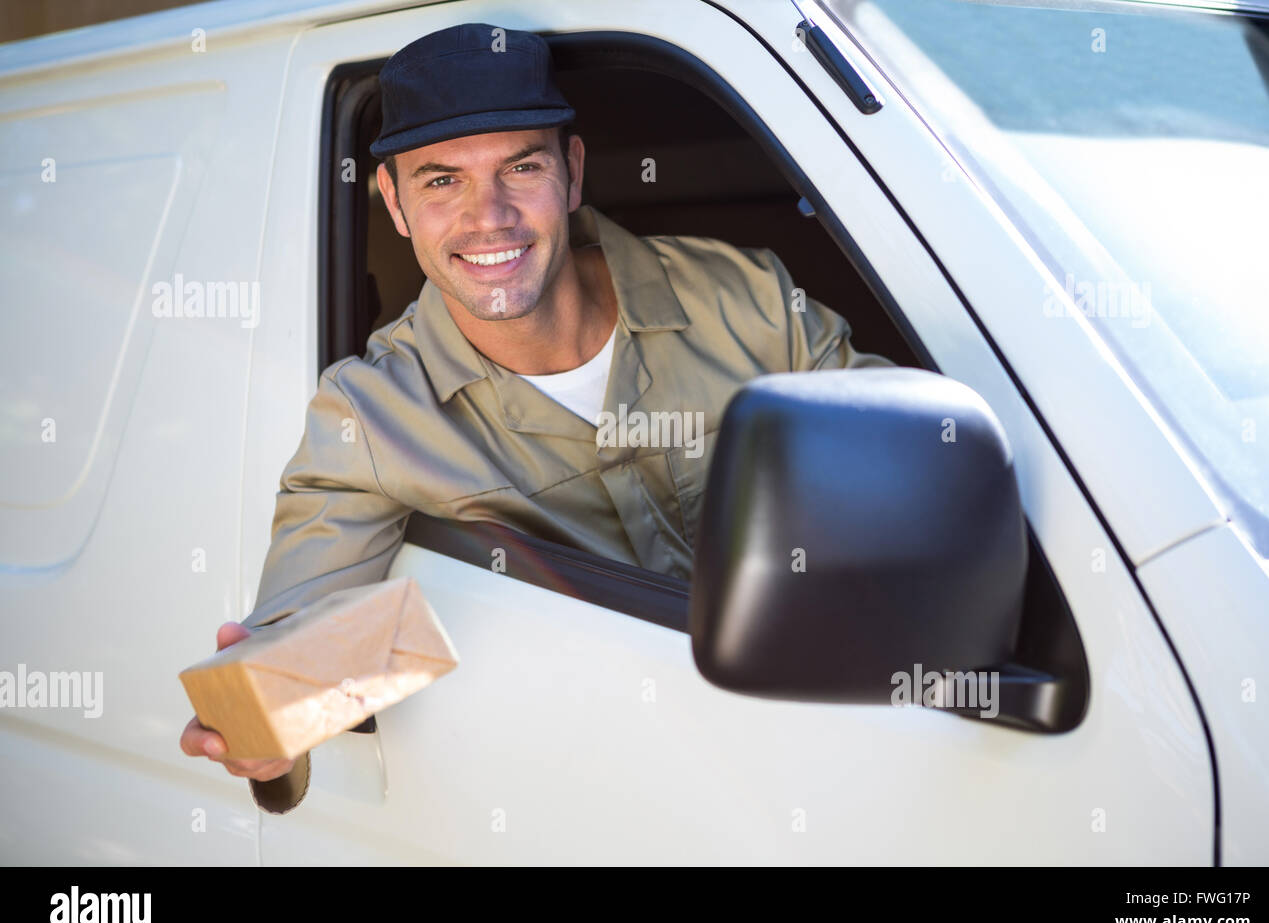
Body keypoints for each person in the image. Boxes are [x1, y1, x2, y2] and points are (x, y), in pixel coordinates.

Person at [179, 22, 893, 814]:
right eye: (441, 181)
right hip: (606, 804)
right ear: (395, 202)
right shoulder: (372, 414)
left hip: (847, 756)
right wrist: (265, 726)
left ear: (573, 171)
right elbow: (294, 655)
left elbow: (909, 473)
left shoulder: (748, 300)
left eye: (520, 168)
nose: (489, 217)